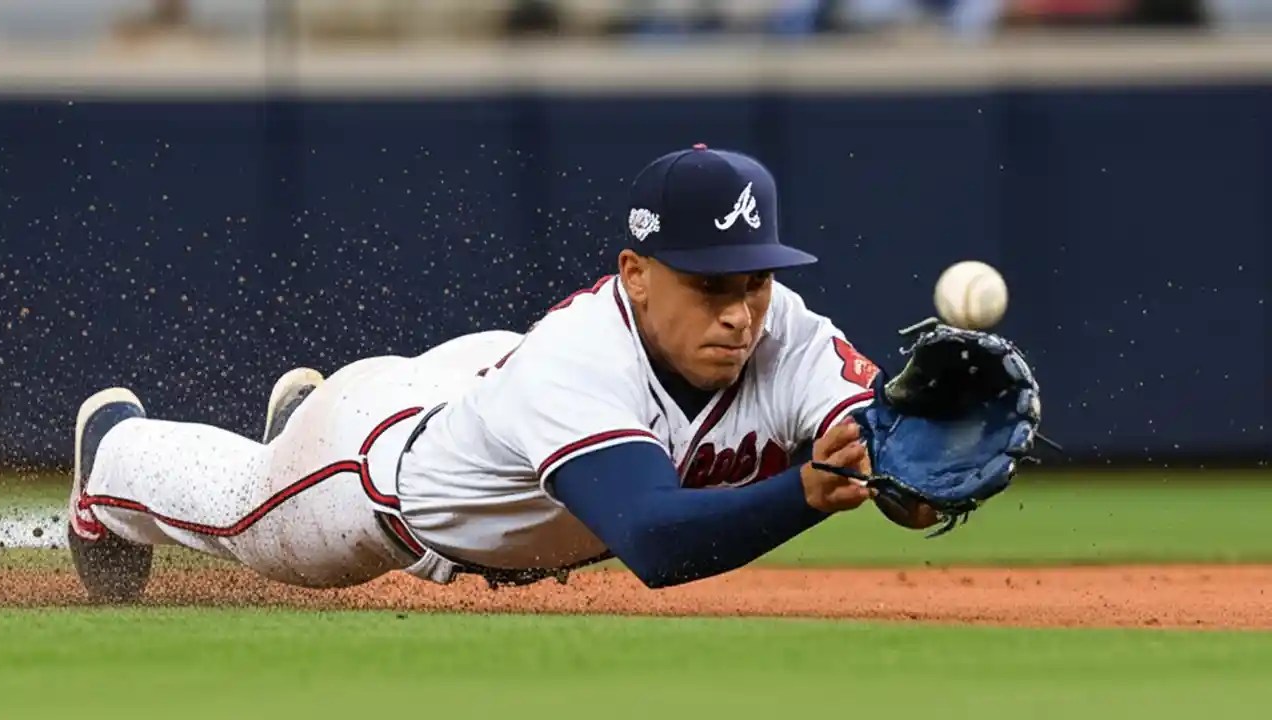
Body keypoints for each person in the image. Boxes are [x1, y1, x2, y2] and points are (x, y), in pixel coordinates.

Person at [68, 143, 943, 602]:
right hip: (377, 475)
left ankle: (295, 425)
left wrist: (925, 449)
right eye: (709, 284)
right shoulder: (582, 361)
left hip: (487, 387)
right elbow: (655, 539)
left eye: (755, 281)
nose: (739, 312)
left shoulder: (779, 326)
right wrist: (807, 494)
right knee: (250, 522)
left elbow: (877, 438)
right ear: (635, 275)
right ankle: (114, 460)